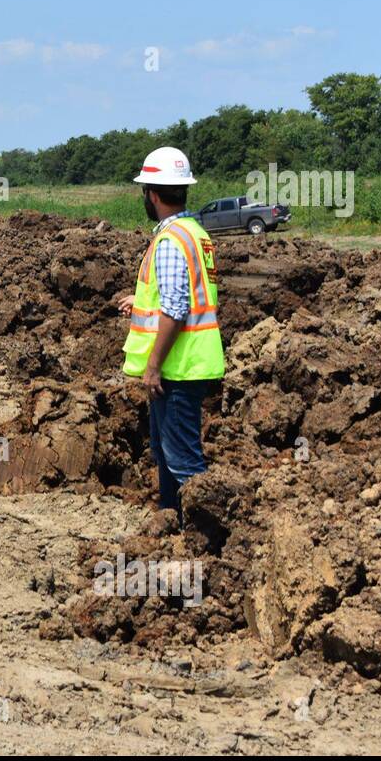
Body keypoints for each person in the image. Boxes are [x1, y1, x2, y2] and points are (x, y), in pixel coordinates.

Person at [116, 147, 225, 524]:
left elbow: (177, 309)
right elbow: (184, 295)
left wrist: (154, 365)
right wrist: (141, 299)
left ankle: (206, 535)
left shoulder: (170, 240)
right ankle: (172, 525)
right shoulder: (195, 232)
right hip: (191, 363)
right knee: (166, 452)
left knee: (182, 459)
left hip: (179, 367)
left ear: (153, 194)